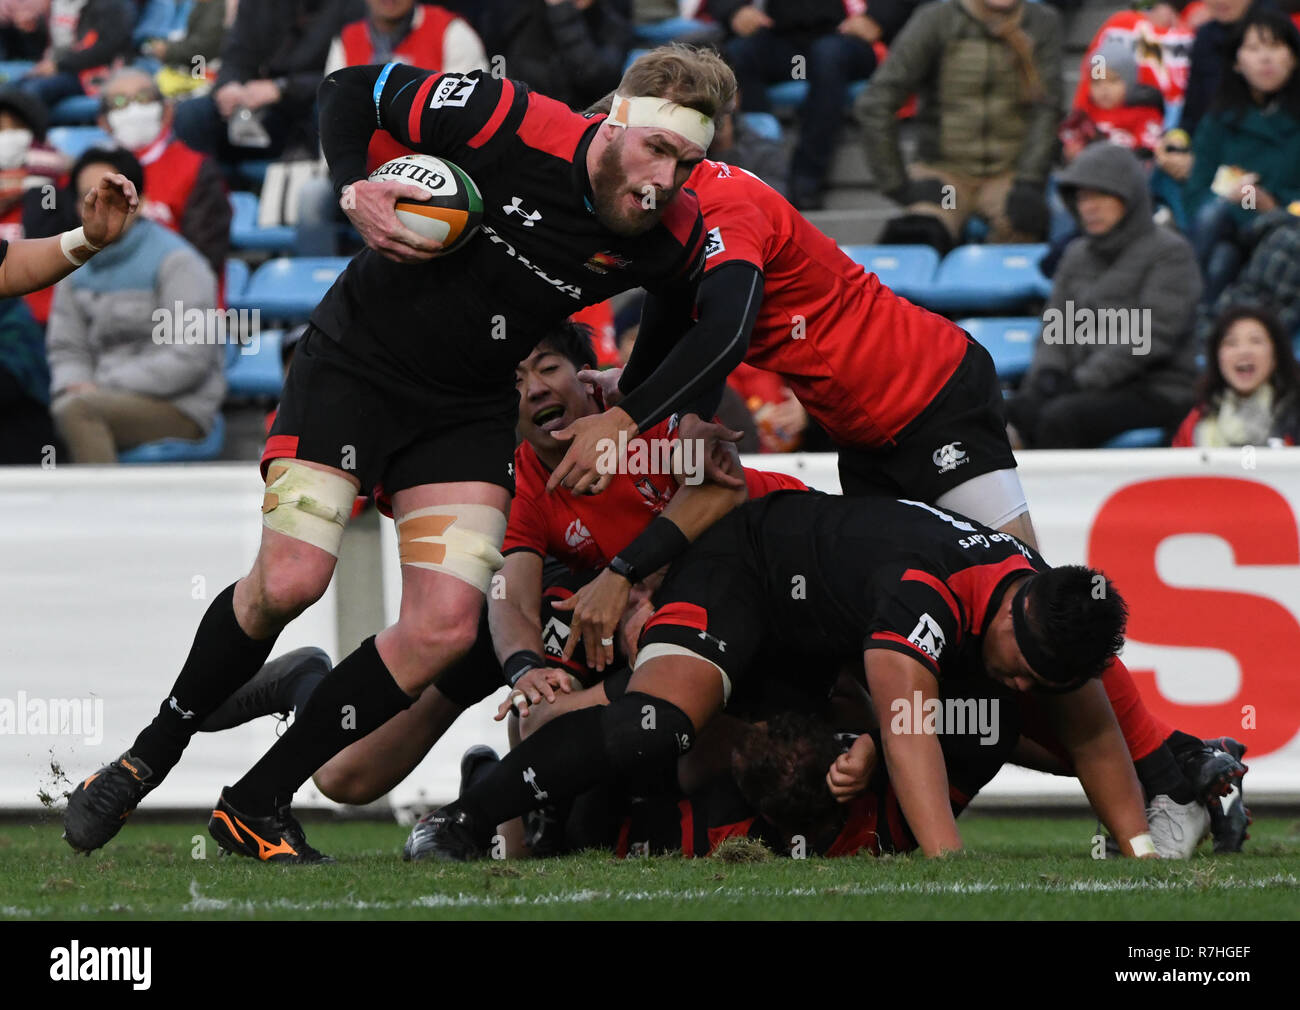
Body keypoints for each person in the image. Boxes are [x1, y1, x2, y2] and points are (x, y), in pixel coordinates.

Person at [62, 44, 733, 862]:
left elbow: (707, 321)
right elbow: (351, 86)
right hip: (358, 364)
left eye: (690, 162)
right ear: (616, 120)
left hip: (466, 408)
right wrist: (355, 187)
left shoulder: (669, 231)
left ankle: (255, 805)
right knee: (290, 582)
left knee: (446, 627)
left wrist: (629, 408)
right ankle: (147, 757)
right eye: (658, 149)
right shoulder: (507, 118)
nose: (665, 177)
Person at [543, 130, 1239, 851]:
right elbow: (680, 312)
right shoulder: (697, 217)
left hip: (929, 400)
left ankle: (1174, 774)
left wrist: (628, 414)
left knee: (1031, 610)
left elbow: (719, 332)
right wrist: (631, 390)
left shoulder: (726, 210)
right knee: (959, 653)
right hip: (870, 431)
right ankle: (1173, 767)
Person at [416, 491, 1160, 861]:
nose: (1025, 689)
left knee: (985, 724)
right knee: (663, 722)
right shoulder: (924, 594)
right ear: (1008, 622)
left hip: (820, 643)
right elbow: (910, 735)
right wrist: (947, 874)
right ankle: (466, 819)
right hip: (750, 574)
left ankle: (564, 781)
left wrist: (1143, 856)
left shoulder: (1042, 606)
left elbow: (1093, 737)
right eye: (1025, 674)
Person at [1005, 143, 1201, 448]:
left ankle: (1062, 498)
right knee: (1007, 412)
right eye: (1082, 198)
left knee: (1062, 419)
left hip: (1155, 388)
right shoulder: (1075, 254)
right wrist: (1048, 374)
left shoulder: (1170, 253)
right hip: (1083, 385)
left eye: (1101, 195)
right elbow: (1054, 329)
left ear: (1128, 197)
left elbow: (1150, 338)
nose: (1089, 207)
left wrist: (1079, 382)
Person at [46, 147, 223, 462]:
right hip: (95, 397)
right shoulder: (72, 266)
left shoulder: (178, 262)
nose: (98, 206)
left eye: (110, 196)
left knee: (76, 412)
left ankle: (103, 509)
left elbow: (190, 357)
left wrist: (99, 385)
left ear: (138, 202)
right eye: (87, 196)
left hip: (179, 404)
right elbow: (66, 348)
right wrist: (75, 383)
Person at [857, 0, 1063, 250]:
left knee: (1024, 226)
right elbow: (876, 102)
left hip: (1009, 173)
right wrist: (898, 185)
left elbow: (1047, 108)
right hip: (946, 175)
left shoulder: (1042, 22)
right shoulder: (936, 19)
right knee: (920, 234)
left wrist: (1030, 181)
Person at [296, 0, 488, 256]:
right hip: (365, 174)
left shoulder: (451, 31)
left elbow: (469, 119)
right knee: (311, 197)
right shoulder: (347, 38)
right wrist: (350, 182)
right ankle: (320, 287)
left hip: (434, 180)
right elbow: (333, 116)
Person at [707, 0, 915, 210]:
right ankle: (756, 171)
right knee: (739, 54)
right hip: (783, 39)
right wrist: (735, 10)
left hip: (849, 37)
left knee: (828, 56)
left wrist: (878, 17)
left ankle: (806, 179)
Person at [1184, 8, 1300, 303]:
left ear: (1294, 57)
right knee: (1219, 246)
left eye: (1275, 46)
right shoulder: (1219, 120)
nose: (1265, 58)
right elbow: (1196, 191)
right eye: (1253, 48)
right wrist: (1235, 201)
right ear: (1237, 62)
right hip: (1223, 230)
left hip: (1282, 233)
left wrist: (1272, 205)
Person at [171, 0, 359, 161]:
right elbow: (236, 54)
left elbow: (351, 75)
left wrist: (281, 88)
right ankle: (209, 191)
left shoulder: (350, 6)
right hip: (254, 107)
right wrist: (228, 86)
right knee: (191, 115)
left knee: (329, 107)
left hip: (308, 107)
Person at [95, 67, 230, 281]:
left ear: (167, 112)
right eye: (119, 102)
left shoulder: (198, 169)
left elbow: (204, 258)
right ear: (103, 122)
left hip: (180, 299)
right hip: (107, 299)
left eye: (144, 98)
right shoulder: (92, 173)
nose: (133, 110)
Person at [1173, 304, 1300, 445]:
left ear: (1276, 354)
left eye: (1255, 341)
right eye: (1231, 343)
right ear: (1217, 357)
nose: (1243, 351)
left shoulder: (1294, 413)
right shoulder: (1196, 419)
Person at [491, 0, 634, 113]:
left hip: (580, 128)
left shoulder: (612, 23)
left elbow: (597, 78)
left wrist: (563, 13)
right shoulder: (522, 19)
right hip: (524, 123)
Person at [18, 0, 133, 109]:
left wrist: (58, 65)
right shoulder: (61, 5)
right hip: (67, 67)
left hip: (94, 74)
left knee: (34, 89)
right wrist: (32, 29)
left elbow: (105, 50)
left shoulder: (111, 5)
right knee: (15, 86)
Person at [1075, 38, 1165, 158]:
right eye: (1097, 82)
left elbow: (1148, 152)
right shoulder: (1086, 113)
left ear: (1130, 83)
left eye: (1113, 81)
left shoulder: (1145, 112)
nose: (1104, 88)